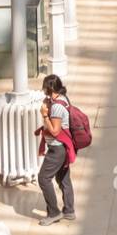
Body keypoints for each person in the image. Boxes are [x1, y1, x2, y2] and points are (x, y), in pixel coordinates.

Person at [36, 74, 76, 224]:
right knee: (63, 178)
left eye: (46, 90)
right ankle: (69, 210)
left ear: (50, 89)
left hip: (57, 149)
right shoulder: (62, 99)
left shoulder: (58, 106)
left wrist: (45, 115)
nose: (44, 92)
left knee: (43, 178)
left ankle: (53, 213)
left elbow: (55, 131)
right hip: (63, 148)